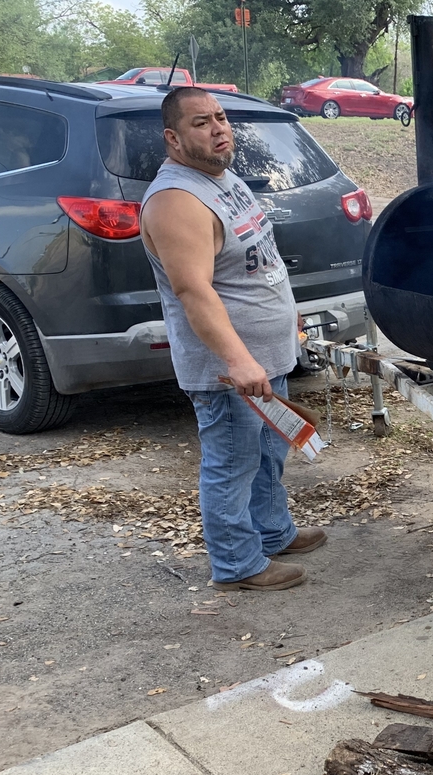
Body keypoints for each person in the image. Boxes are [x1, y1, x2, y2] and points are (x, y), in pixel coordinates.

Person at [140, 87, 326, 591]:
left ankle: (271, 532)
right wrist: (239, 360)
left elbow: (256, 257)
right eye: (202, 123)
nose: (219, 128)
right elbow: (192, 290)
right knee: (232, 463)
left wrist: (288, 314)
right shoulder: (176, 200)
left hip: (265, 358)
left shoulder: (221, 178)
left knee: (269, 453)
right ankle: (237, 563)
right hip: (229, 370)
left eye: (221, 118)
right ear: (173, 137)